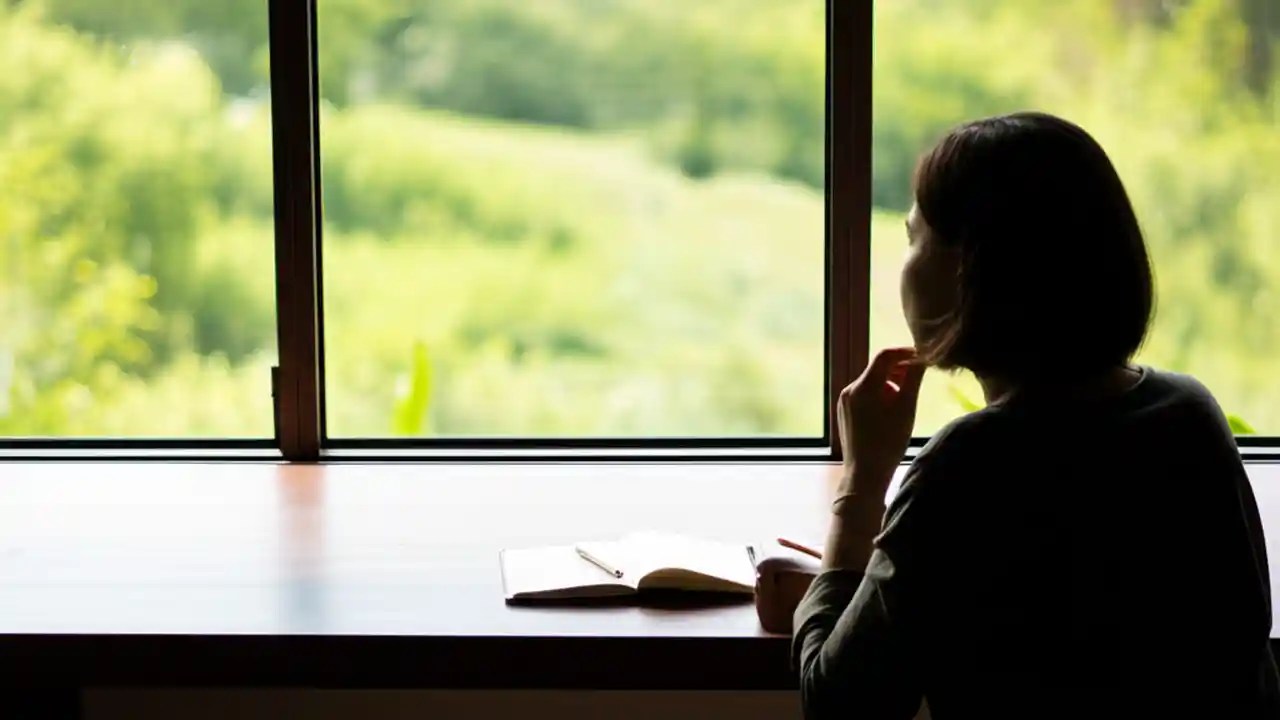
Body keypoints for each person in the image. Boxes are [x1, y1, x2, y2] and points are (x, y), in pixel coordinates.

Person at [757, 112, 1280, 718]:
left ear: (967, 271)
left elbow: (841, 704)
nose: (903, 265)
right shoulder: (1191, 415)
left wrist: (862, 483)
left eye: (912, 239)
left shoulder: (970, 465)